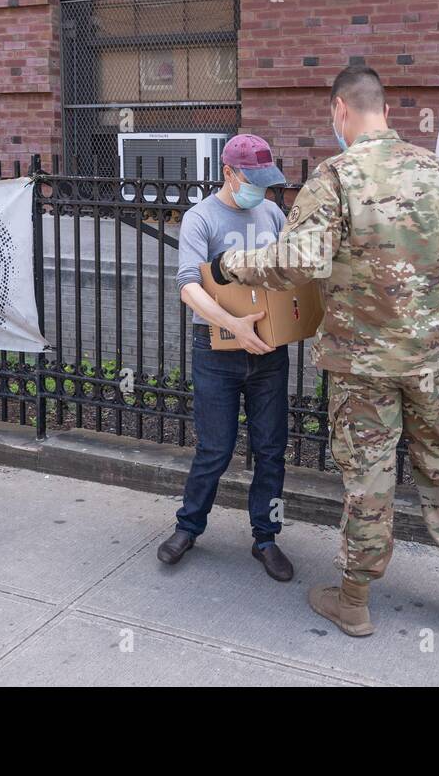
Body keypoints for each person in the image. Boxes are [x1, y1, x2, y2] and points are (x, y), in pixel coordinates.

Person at [208, 65, 439, 636]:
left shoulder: (335, 177)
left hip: (363, 361)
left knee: (368, 479)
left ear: (339, 111)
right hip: (433, 354)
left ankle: (353, 601)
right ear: (387, 112)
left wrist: (231, 265)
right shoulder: (435, 170)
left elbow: (300, 260)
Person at [156, 134, 295, 582]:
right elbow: (187, 286)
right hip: (217, 351)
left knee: (271, 450)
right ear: (229, 173)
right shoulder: (201, 219)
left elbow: (292, 268)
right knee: (214, 449)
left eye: (266, 182)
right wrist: (233, 325)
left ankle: (266, 537)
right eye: (253, 180)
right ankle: (189, 526)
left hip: (270, 351)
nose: (261, 190)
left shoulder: (272, 212)